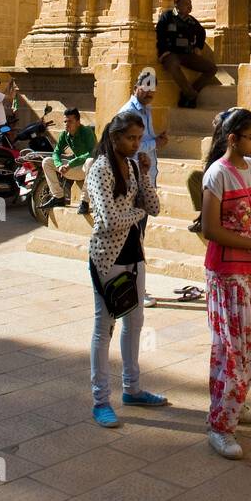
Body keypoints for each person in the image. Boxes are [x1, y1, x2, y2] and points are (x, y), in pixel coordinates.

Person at [201, 107, 251, 460]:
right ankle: (221, 425)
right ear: (233, 139)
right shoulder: (218, 173)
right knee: (230, 350)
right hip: (227, 274)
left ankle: (235, 401)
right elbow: (210, 229)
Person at [86, 110, 169, 427]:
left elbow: (155, 208)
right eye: (130, 138)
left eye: (139, 137)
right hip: (107, 257)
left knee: (134, 323)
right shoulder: (100, 170)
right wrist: (135, 212)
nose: (136, 144)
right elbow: (108, 221)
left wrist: (146, 175)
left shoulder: (134, 166)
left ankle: (132, 388)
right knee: (103, 328)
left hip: (134, 254)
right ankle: (99, 400)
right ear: (114, 137)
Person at [118, 72, 168, 305]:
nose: (149, 92)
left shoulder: (146, 111)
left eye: (152, 89)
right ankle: (136, 288)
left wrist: (154, 141)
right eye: (145, 87)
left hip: (145, 180)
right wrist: (154, 143)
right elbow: (131, 147)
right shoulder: (129, 112)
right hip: (133, 182)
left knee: (138, 236)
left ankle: (133, 285)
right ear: (136, 85)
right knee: (134, 237)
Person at [156, 0, 217, 108]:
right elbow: (160, 33)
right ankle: (191, 95)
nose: (189, 6)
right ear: (176, 5)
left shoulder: (192, 21)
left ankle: (188, 93)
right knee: (173, 64)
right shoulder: (167, 16)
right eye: (185, 4)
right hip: (170, 54)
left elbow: (201, 33)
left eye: (190, 4)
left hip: (186, 54)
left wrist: (198, 47)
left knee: (212, 69)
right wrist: (163, 51)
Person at [43, 108, 97, 211]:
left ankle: (84, 202)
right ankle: (58, 197)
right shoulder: (65, 134)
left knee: (91, 161)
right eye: (65, 121)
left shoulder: (86, 131)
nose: (67, 124)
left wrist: (70, 164)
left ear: (78, 122)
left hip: (88, 171)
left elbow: (92, 153)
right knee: (47, 162)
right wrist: (59, 165)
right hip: (74, 169)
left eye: (70, 121)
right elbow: (56, 152)